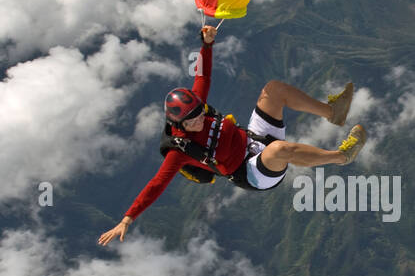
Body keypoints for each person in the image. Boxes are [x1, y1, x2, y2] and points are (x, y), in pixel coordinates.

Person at [98, 22, 366, 245]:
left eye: (201, 112)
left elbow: (202, 78)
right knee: (280, 151)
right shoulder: (178, 152)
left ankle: (333, 113)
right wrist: (126, 220)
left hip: (252, 137)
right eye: (195, 120)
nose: (202, 118)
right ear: (179, 123)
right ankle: (343, 156)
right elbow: (155, 186)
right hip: (251, 173)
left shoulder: (196, 108)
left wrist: (206, 44)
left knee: (273, 90)